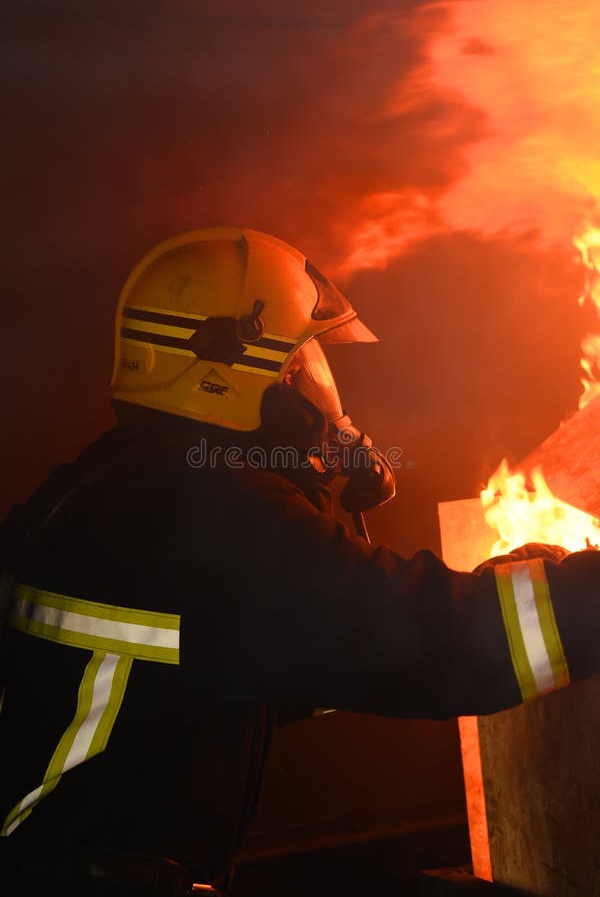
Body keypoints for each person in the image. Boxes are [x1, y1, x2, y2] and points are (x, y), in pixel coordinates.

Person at [0, 227, 598, 896]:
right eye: (299, 367)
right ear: (237, 373)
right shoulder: (216, 511)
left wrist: (480, 587)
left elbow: (306, 644)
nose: (317, 394)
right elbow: (426, 643)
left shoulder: (112, 481)